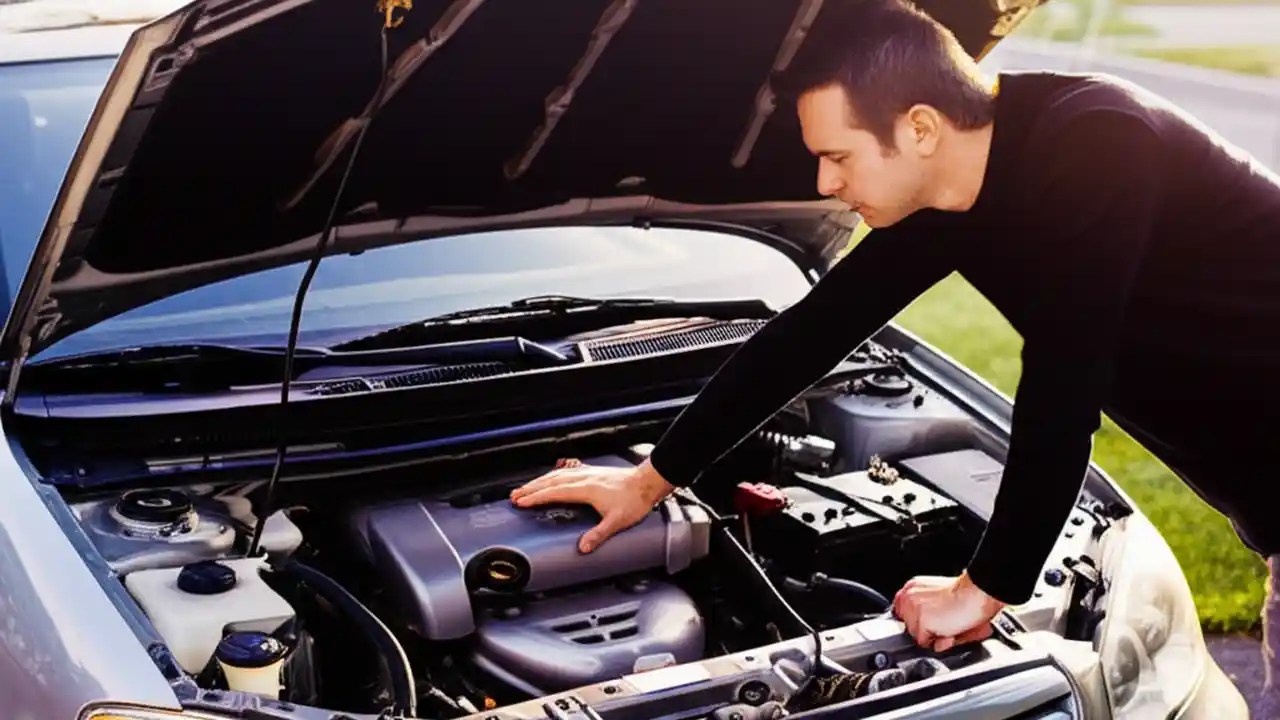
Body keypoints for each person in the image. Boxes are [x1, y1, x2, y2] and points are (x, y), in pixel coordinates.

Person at [510, 0, 1280, 708]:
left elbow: (1061, 389)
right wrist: (651, 481)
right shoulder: (951, 192)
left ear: (918, 128)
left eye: (838, 156)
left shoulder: (1099, 144)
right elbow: (809, 333)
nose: (826, 182)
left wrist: (987, 586)